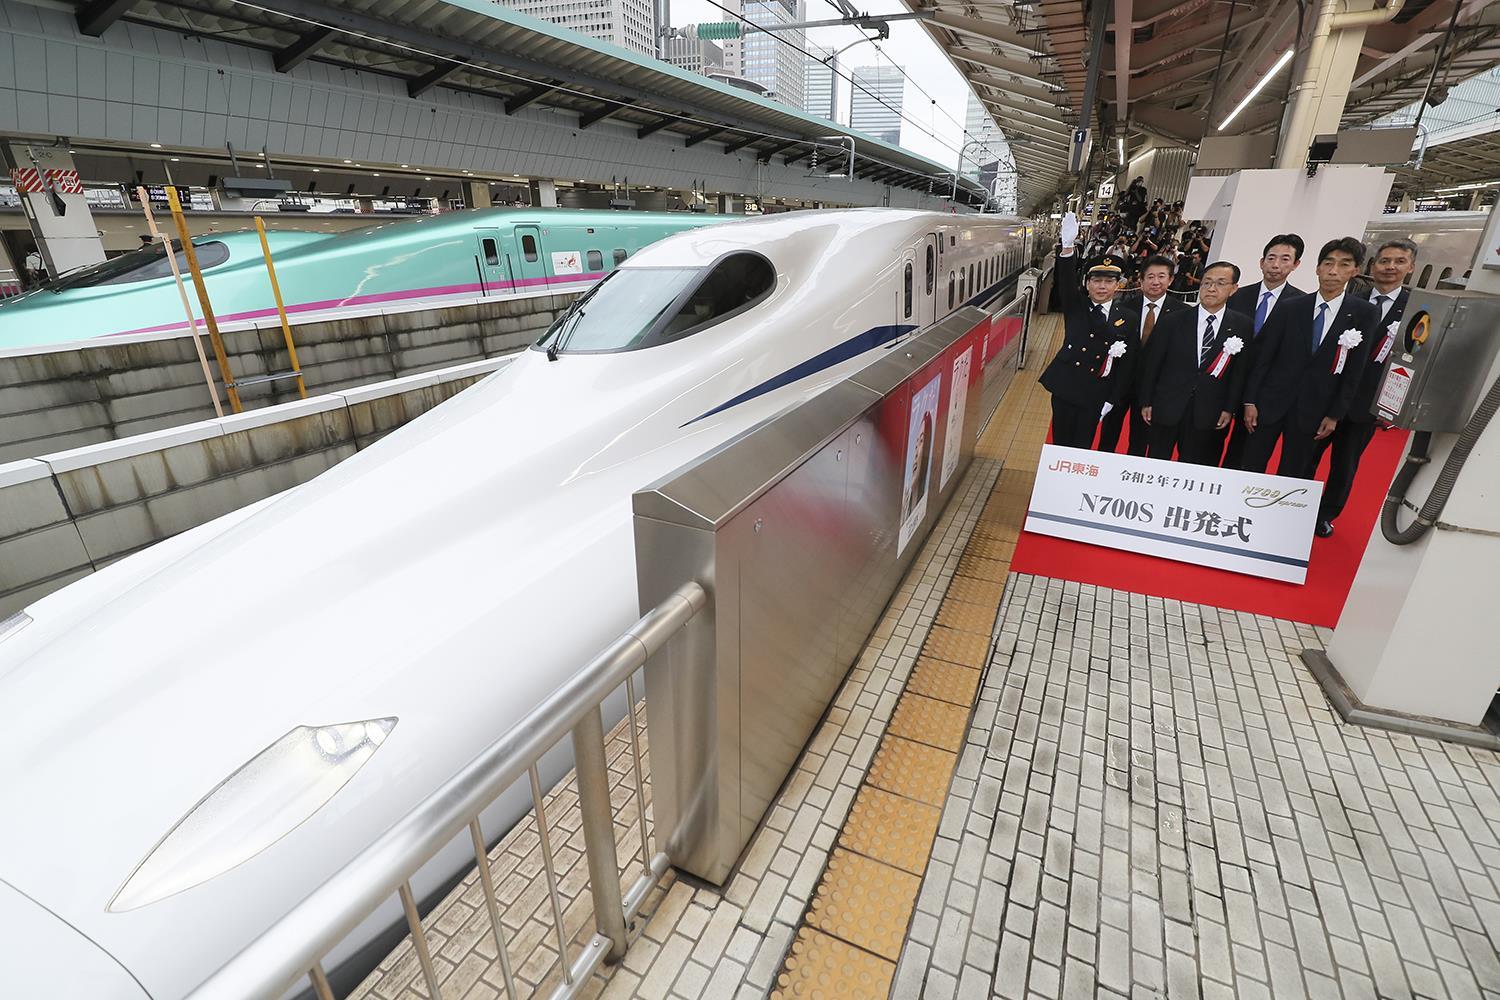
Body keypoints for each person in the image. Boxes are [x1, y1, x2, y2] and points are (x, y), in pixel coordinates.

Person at [1236, 237, 1380, 481]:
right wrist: (1250, 400)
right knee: (1250, 464)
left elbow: (1355, 369)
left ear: (1355, 271)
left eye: (1344, 265)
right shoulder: (1292, 307)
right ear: (1317, 268)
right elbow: (1265, 357)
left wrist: (1335, 413)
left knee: (1294, 471)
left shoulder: (1364, 313)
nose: (1333, 271)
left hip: (1316, 408)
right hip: (1270, 402)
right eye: (1328, 263)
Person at [1307, 238, 1416, 536]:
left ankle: (1325, 514)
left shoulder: (1415, 311)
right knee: (1308, 455)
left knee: (1345, 463)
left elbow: (1412, 363)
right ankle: (1297, 506)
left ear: (1411, 267)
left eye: (1399, 261)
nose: (1390, 267)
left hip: (1366, 403)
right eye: (1384, 261)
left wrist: (1393, 406)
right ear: (1371, 266)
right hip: (1327, 398)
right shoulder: (1349, 302)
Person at [1139, 262, 1253, 465]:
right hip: (1167, 406)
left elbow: (1239, 372)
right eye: (1206, 282)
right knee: (1155, 462)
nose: (1211, 288)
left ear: (1234, 288)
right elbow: (1153, 365)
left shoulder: (1241, 325)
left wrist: (1229, 408)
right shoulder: (1172, 321)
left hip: (1209, 411)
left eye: (1220, 283)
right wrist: (1147, 400)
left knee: (1195, 466)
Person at [1041, 211, 1137, 449]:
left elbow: (1127, 365)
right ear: (1087, 283)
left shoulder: (1128, 318)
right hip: (1066, 386)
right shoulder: (1077, 306)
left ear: (1118, 285)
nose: (1102, 286)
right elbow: (1064, 281)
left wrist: (1112, 399)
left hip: (1097, 392)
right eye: (1096, 280)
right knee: (1061, 442)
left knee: (1083, 444)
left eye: (1108, 281)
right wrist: (1067, 247)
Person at [1221, 235, 1308, 468]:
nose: (1276, 265)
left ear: (1296, 265)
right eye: (1271, 258)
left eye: (1285, 259)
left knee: (1249, 453)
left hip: (1265, 392)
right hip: (1228, 383)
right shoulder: (1237, 296)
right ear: (1261, 262)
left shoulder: (1301, 304)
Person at [1099, 254, 1188, 455]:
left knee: (1140, 438)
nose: (1156, 282)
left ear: (1171, 279)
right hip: (1120, 384)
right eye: (1150, 276)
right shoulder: (1123, 307)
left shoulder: (1182, 313)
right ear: (1141, 279)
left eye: (1162, 276)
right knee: (1108, 434)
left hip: (1154, 389)